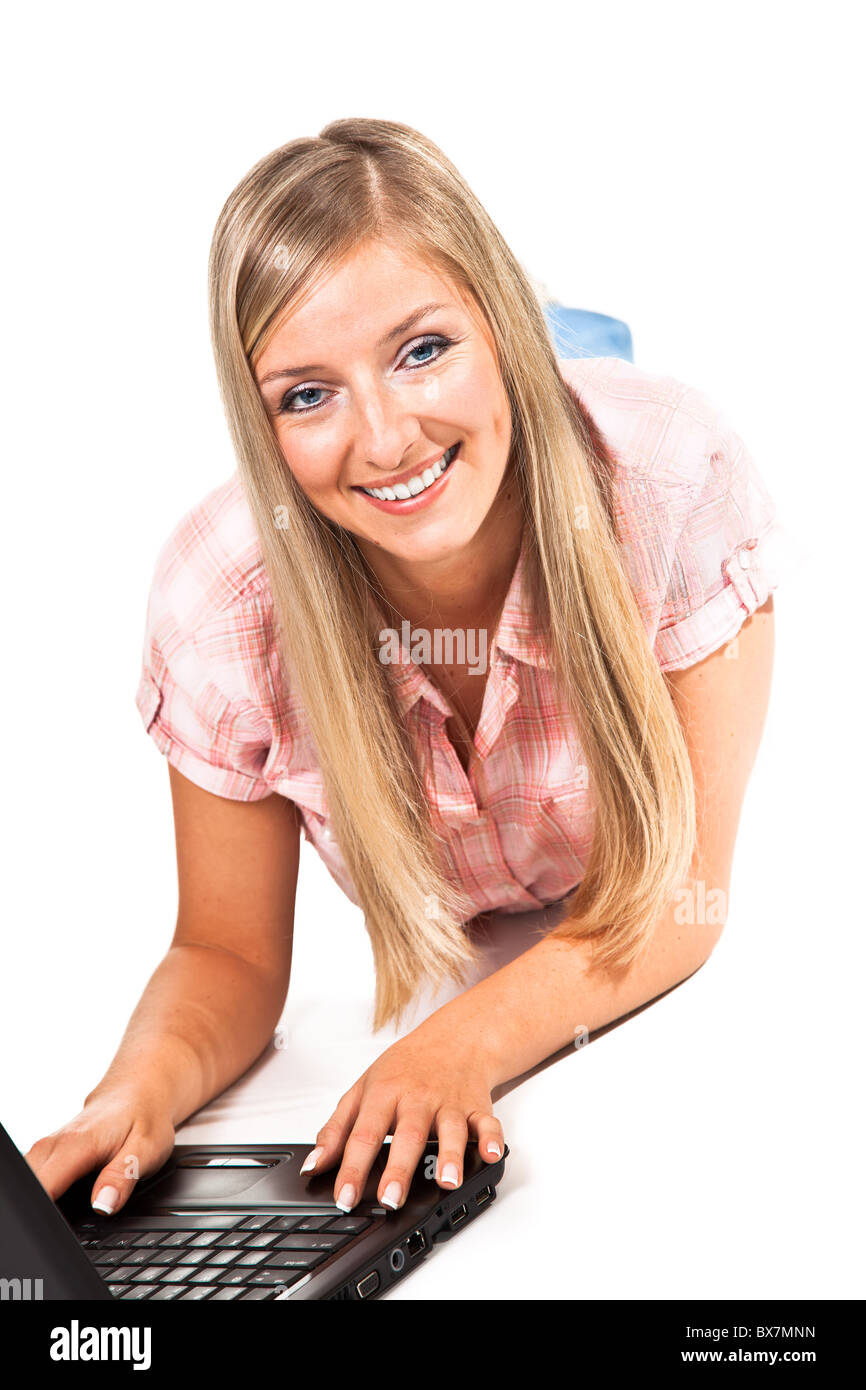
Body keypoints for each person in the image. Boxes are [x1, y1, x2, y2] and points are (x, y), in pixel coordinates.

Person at [26, 118, 779, 1226]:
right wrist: (133, 1093)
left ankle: (549, 338)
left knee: (566, 390)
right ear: (258, 422)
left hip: (575, 440)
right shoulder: (221, 605)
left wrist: (455, 1046)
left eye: (423, 348)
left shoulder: (669, 480)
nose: (382, 438)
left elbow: (680, 898)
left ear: (497, 330)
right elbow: (225, 951)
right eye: (306, 394)